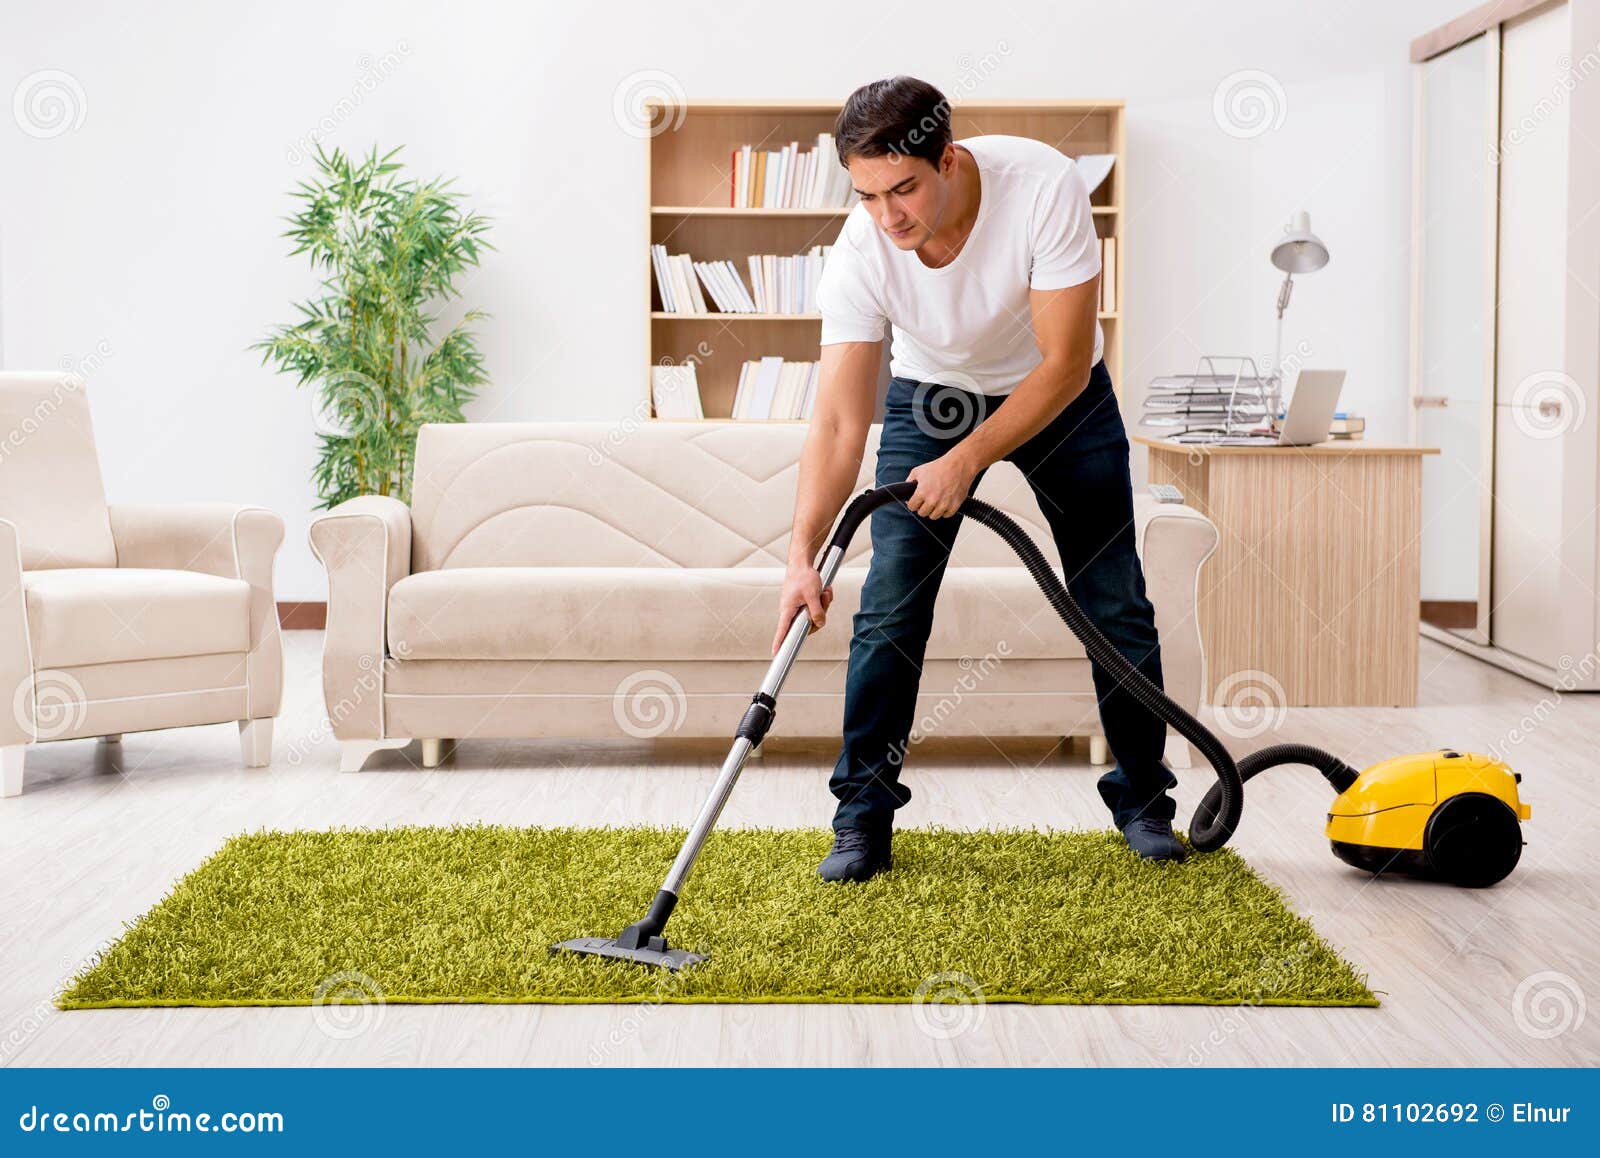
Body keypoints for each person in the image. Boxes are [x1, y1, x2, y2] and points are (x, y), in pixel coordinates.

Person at [775, 75, 1182, 883]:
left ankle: (1142, 801)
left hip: (1060, 392)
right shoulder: (860, 254)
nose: (889, 216)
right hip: (932, 395)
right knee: (891, 599)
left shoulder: (1040, 187)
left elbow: (1065, 363)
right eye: (867, 195)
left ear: (949, 160)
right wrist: (800, 554)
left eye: (905, 188)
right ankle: (862, 814)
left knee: (1113, 598)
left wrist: (970, 458)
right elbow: (839, 422)